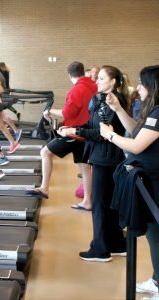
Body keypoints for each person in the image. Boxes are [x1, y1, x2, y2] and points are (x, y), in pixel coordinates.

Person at [100, 65, 159, 298]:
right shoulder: (152, 110)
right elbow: (136, 133)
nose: (139, 88)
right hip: (149, 180)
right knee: (153, 234)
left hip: (155, 181)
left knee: (156, 234)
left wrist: (110, 135)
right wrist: (118, 109)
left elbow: (135, 146)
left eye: (142, 84)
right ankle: (156, 280)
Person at [59, 65, 129, 261]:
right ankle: (116, 243)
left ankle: (100, 249)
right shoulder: (104, 101)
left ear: (113, 82)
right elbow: (92, 125)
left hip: (106, 158)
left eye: (100, 78)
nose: (96, 81)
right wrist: (73, 127)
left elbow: (103, 133)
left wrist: (76, 132)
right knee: (107, 203)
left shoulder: (111, 101)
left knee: (99, 204)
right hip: (104, 157)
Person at [25, 61, 96, 212]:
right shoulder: (93, 86)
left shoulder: (77, 89)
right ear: (83, 72)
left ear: (70, 75)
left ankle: (44, 188)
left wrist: (50, 112)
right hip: (87, 132)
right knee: (85, 167)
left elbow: (67, 113)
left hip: (74, 132)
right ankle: (88, 201)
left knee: (45, 152)